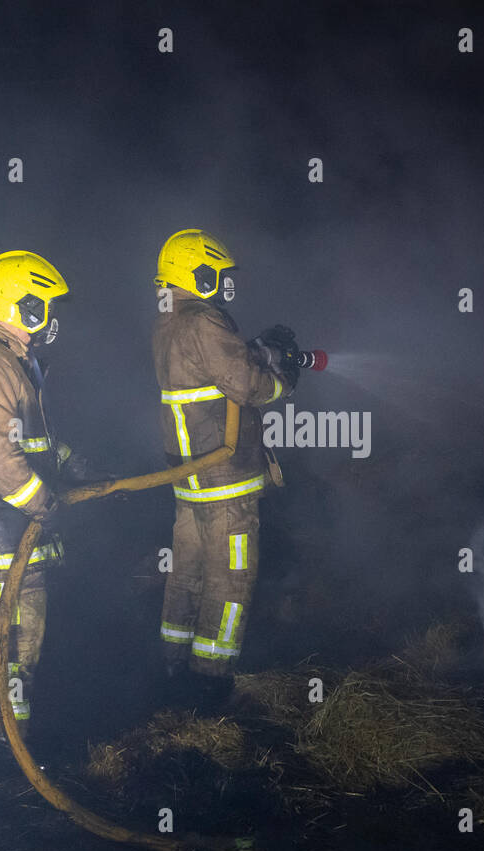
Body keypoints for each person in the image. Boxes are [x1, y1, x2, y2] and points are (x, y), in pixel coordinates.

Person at [0, 250, 103, 743]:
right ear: (20, 306)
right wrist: (47, 506)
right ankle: (6, 740)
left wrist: (75, 465)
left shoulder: (9, 361)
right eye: (44, 306)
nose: (52, 319)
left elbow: (29, 441)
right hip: (1, 535)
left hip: (5, 532)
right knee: (18, 637)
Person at [150, 229, 298, 708]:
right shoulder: (202, 320)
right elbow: (248, 386)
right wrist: (284, 377)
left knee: (187, 571)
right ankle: (211, 679)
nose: (225, 283)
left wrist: (251, 345)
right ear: (195, 274)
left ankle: (173, 666)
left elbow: (214, 368)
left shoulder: (170, 321)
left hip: (190, 477)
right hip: (226, 476)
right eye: (216, 273)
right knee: (230, 577)